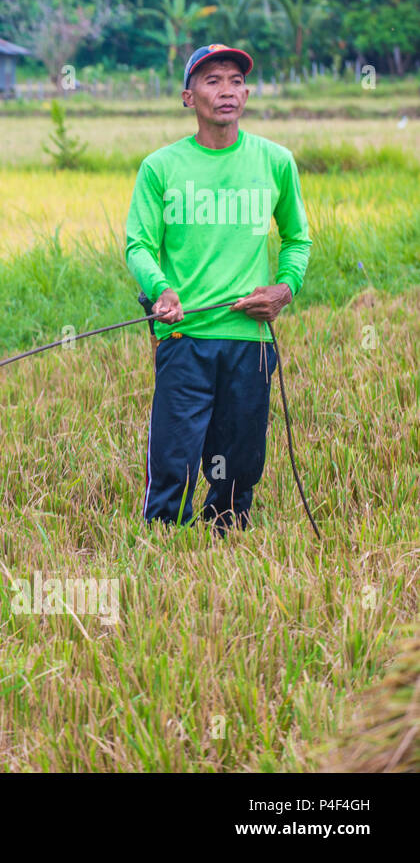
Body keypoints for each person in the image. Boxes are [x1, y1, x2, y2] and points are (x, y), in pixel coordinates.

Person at [125, 44, 312, 532]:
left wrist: (285, 288)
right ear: (189, 97)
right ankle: (164, 544)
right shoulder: (161, 168)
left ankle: (227, 536)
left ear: (246, 93)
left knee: (240, 458)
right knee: (175, 457)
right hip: (185, 336)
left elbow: (296, 239)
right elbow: (138, 246)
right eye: (212, 80)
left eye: (234, 80)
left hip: (249, 339)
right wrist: (161, 290)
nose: (225, 90)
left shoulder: (275, 161)